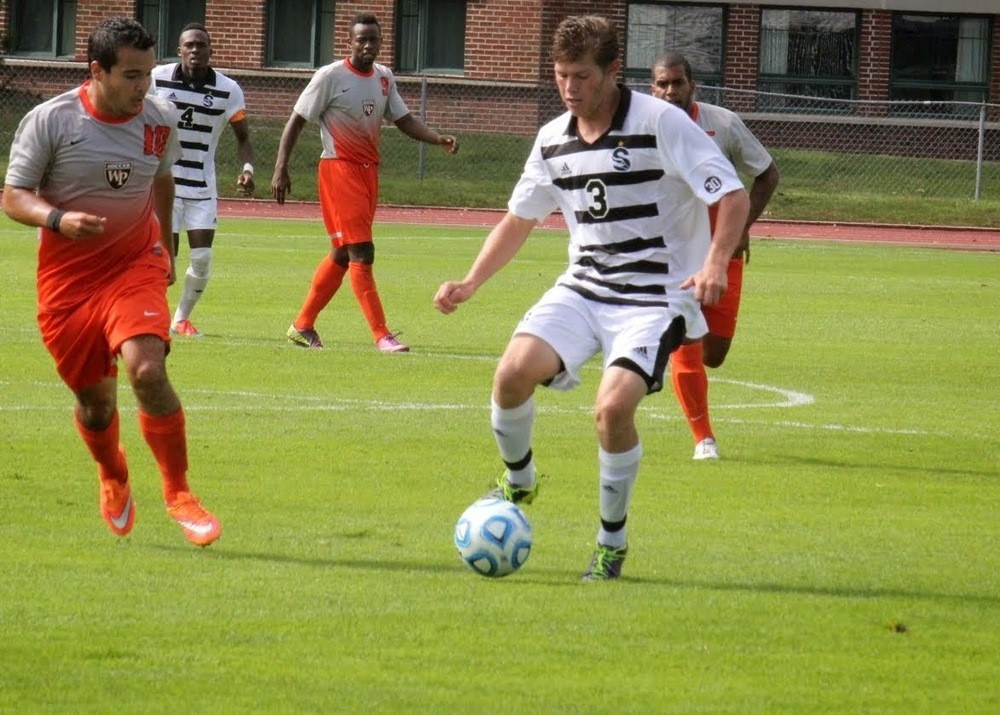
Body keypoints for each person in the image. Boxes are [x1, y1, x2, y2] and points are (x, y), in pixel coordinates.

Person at [434, 16, 749, 581]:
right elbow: (519, 219)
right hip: (584, 287)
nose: (569, 88)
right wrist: (470, 282)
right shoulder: (552, 137)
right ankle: (520, 479)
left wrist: (714, 262)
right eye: (560, 76)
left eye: (581, 75)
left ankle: (611, 541)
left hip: (655, 297)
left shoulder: (662, 123)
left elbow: (731, 194)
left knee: (611, 409)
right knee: (510, 375)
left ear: (610, 71)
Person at [2, 16, 222, 546]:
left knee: (147, 369)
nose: (142, 87)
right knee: (96, 404)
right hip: (68, 281)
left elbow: (162, 178)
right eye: (130, 75)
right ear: (95, 70)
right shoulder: (51, 120)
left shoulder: (160, 118)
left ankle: (179, 494)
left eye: (147, 74)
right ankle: (113, 474)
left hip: (133, 262)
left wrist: (165, 244)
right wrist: (58, 219)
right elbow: (13, 196)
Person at [272, 11, 459, 353]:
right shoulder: (330, 76)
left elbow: (403, 120)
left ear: (381, 42)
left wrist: (436, 139)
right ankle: (381, 334)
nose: (368, 45)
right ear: (350, 41)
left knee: (343, 253)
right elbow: (296, 121)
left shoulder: (384, 77)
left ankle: (302, 325)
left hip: (368, 171)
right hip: (339, 169)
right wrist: (281, 167)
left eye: (374, 39)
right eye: (362, 39)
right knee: (362, 251)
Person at [651, 52, 780, 460]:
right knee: (688, 341)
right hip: (674, 254)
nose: (670, 91)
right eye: (662, 84)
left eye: (677, 83)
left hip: (722, 252)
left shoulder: (722, 124)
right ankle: (703, 439)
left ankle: (661, 343)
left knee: (716, 353)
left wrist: (741, 229)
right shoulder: (641, 127)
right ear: (652, 88)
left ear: (693, 86)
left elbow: (767, 174)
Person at [151, 22, 256, 338]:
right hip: (163, 183)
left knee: (203, 258)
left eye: (201, 45)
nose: (195, 50)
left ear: (211, 51)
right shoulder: (157, 79)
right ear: (179, 49)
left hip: (202, 186)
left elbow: (242, 136)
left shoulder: (229, 90)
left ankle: (180, 319)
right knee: (164, 259)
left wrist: (248, 168)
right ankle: (153, 316)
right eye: (190, 45)